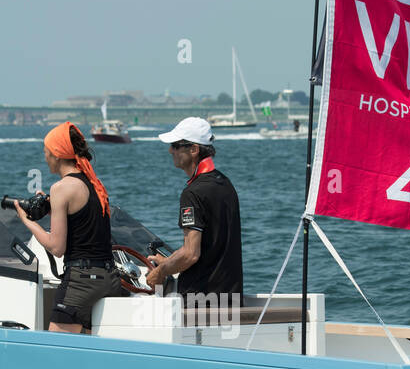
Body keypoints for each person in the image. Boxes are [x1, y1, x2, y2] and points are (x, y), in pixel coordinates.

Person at [14, 121, 123, 333]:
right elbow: (83, 224)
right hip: (109, 278)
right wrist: (52, 207)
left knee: (56, 353)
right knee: (90, 352)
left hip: (82, 282)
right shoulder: (94, 184)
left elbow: (57, 248)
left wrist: (28, 221)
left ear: (56, 154)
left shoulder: (62, 188)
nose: (44, 158)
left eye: (46, 152)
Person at [145, 117, 243, 297]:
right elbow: (210, 244)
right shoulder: (225, 183)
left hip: (201, 299)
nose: (170, 150)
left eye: (175, 145)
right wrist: (169, 261)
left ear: (193, 150)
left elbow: (191, 254)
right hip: (230, 295)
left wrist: (160, 272)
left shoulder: (193, 193)